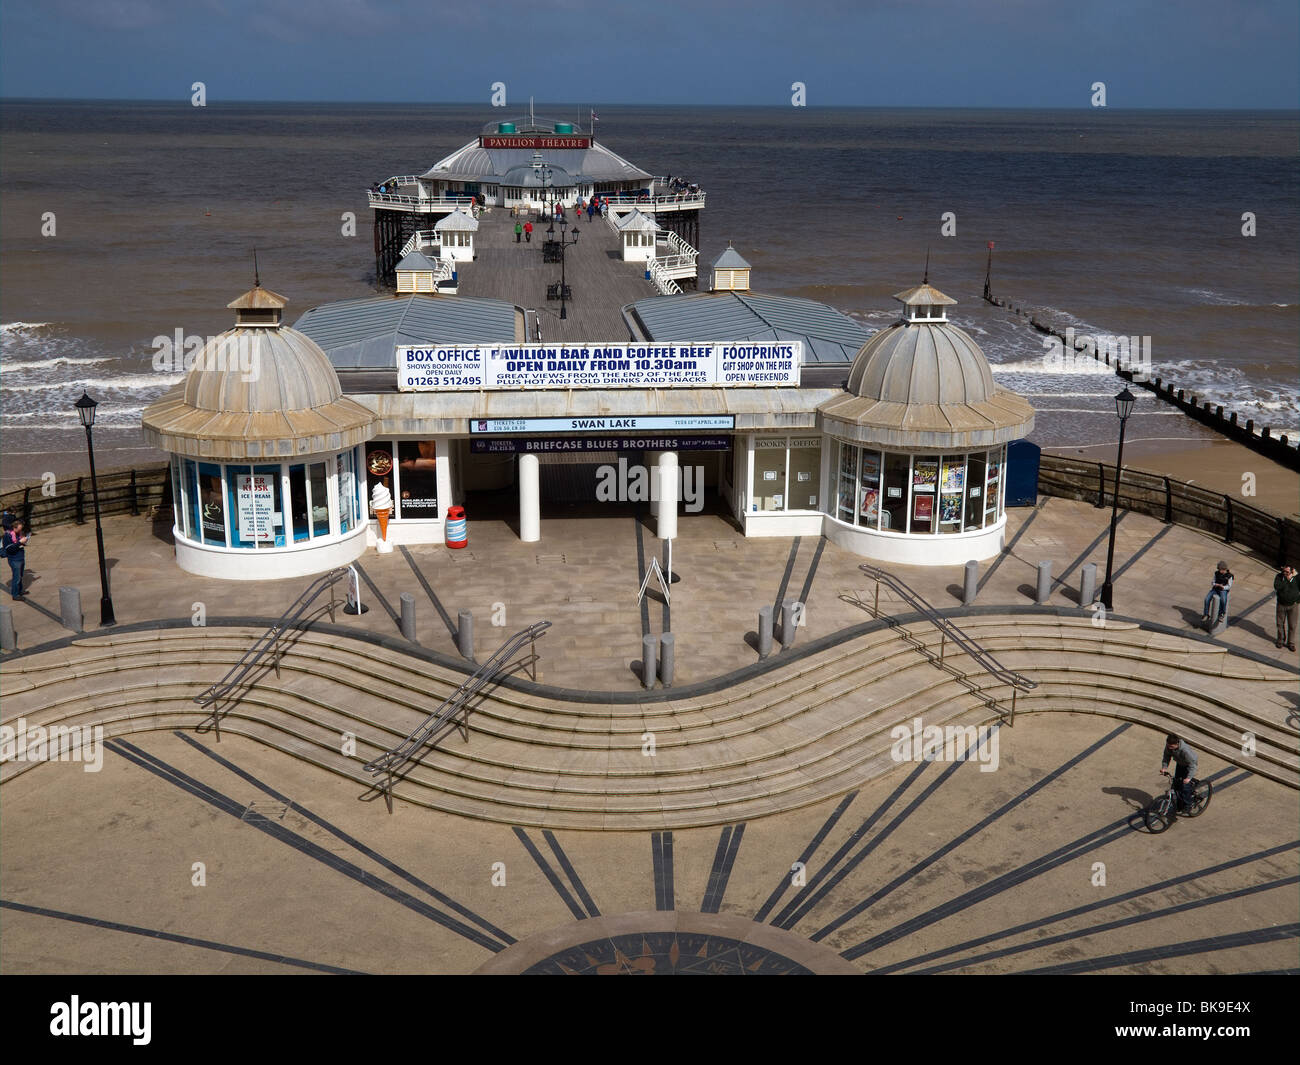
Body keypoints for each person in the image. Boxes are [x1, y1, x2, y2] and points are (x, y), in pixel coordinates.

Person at [1160, 733, 1198, 811]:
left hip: (1188, 765)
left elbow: (1193, 765)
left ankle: (1188, 804)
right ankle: (1180, 804)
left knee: (1185, 786)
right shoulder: (1169, 746)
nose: (1170, 748)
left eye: (1171, 746)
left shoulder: (1185, 751)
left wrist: (1188, 778)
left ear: (1177, 744)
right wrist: (1164, 767)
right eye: (1168, 745)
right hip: (1180, 763)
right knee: (1176, 783)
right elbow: (1166, 757)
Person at [1274, 562, 1299, 651]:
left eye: (1287, 572)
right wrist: (1287, 581)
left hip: (1293, 605)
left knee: (1292, 625)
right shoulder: (1279, 577)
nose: (1285, 573)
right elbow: (1277, 587)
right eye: (1284, 571)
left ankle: (1291, 643)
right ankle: (1280, 640)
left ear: (1292, 571)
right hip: (1281, 604)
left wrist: (1297, 600)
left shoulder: (1297, 578)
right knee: (1279, 623)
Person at [4, 518, 29, 600]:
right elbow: (9, 549)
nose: (21, 530)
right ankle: (15, 595)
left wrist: (24, 541)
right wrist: (20, 542)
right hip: (14, 559)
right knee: (16, 577)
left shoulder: (18, 533)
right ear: (15, 527)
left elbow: (19, 544)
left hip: (20, 557)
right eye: (20, 528)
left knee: (20, 575)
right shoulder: (8, 536)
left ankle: (20, 590)